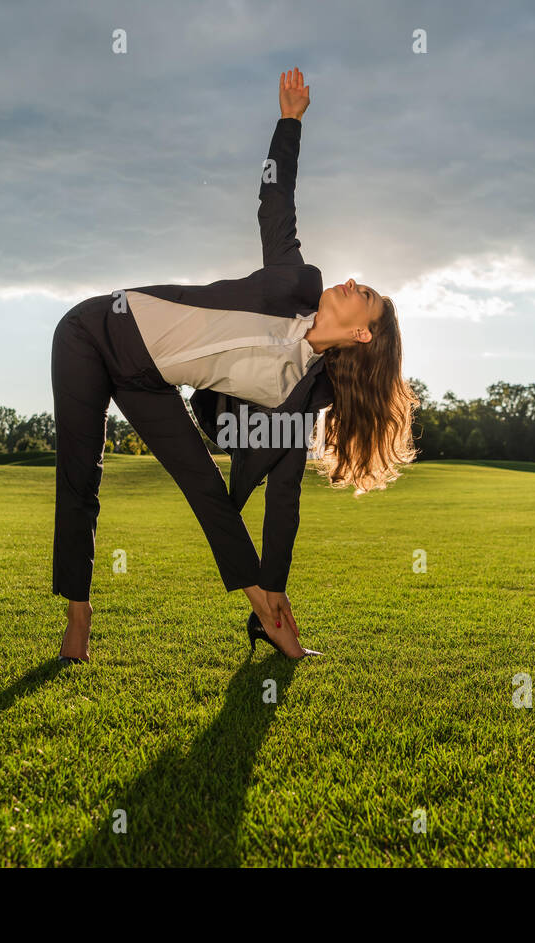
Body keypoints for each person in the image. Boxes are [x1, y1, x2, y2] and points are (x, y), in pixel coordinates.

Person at [51, 68, 418, 662]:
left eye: (364, 293)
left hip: (151, 379)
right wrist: (290, 123)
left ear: (361, 333)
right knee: (79, 476)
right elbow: (276, 202)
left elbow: (285, 500)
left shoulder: (299, 398)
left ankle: (269, 613)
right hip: (96, 329)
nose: (352, 281)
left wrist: (275, 583)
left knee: (205, 490)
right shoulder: (293, 284)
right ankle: (79, 613)